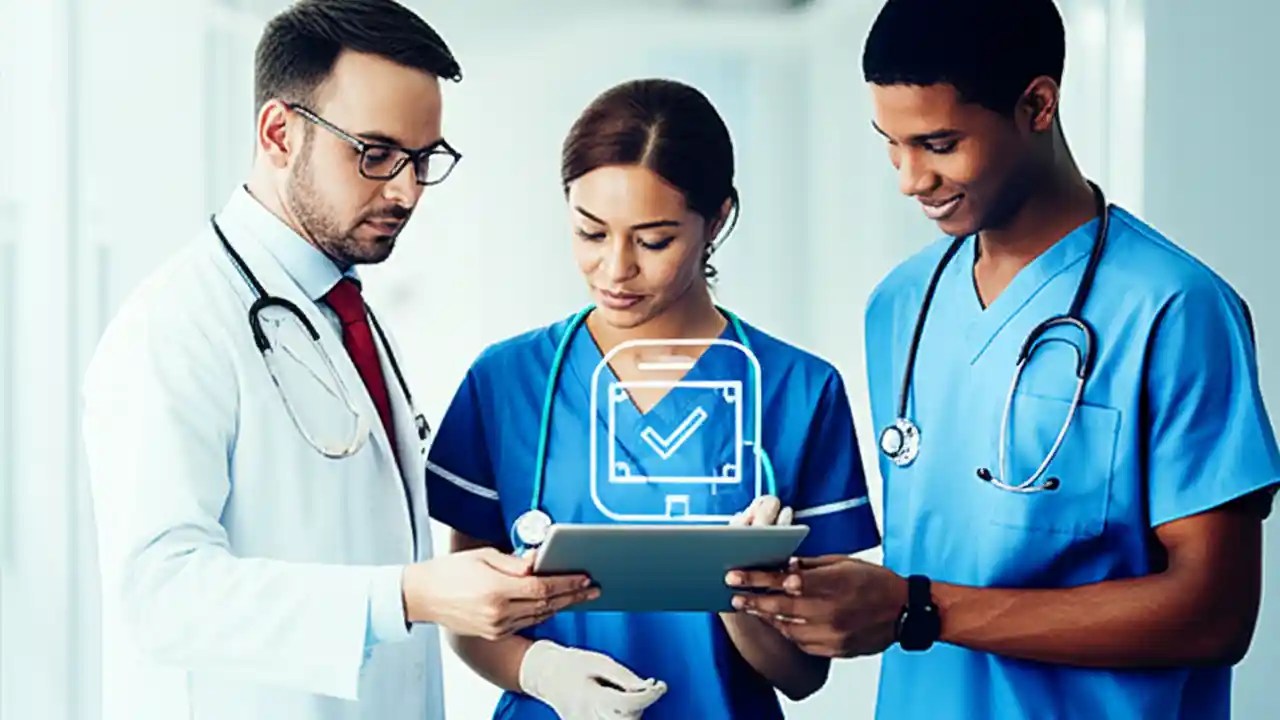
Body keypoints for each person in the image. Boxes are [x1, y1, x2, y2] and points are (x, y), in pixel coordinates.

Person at [727, 1, 1279, 718]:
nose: (910, 179)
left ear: (1037, 105)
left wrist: (919, 611)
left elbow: (1215, 613)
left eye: (939, 143)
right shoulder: (900, 307)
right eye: (891, 145)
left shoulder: (1175, 308)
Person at [81, 2, 596, 719]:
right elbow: (160, 596)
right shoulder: (174, 324)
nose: (407, 191)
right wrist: (408, 595)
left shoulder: (335, 307)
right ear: (279, 133)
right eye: (376, 154)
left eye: (424, 160)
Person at [423, 77, 881, 719]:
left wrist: (739, 598)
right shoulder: (506, 382)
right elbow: (465, 617)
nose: (616, 269)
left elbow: (805, 676)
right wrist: (545, 671)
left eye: (654, 240)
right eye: (590, 233)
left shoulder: (797, 392)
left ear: (716, 218)